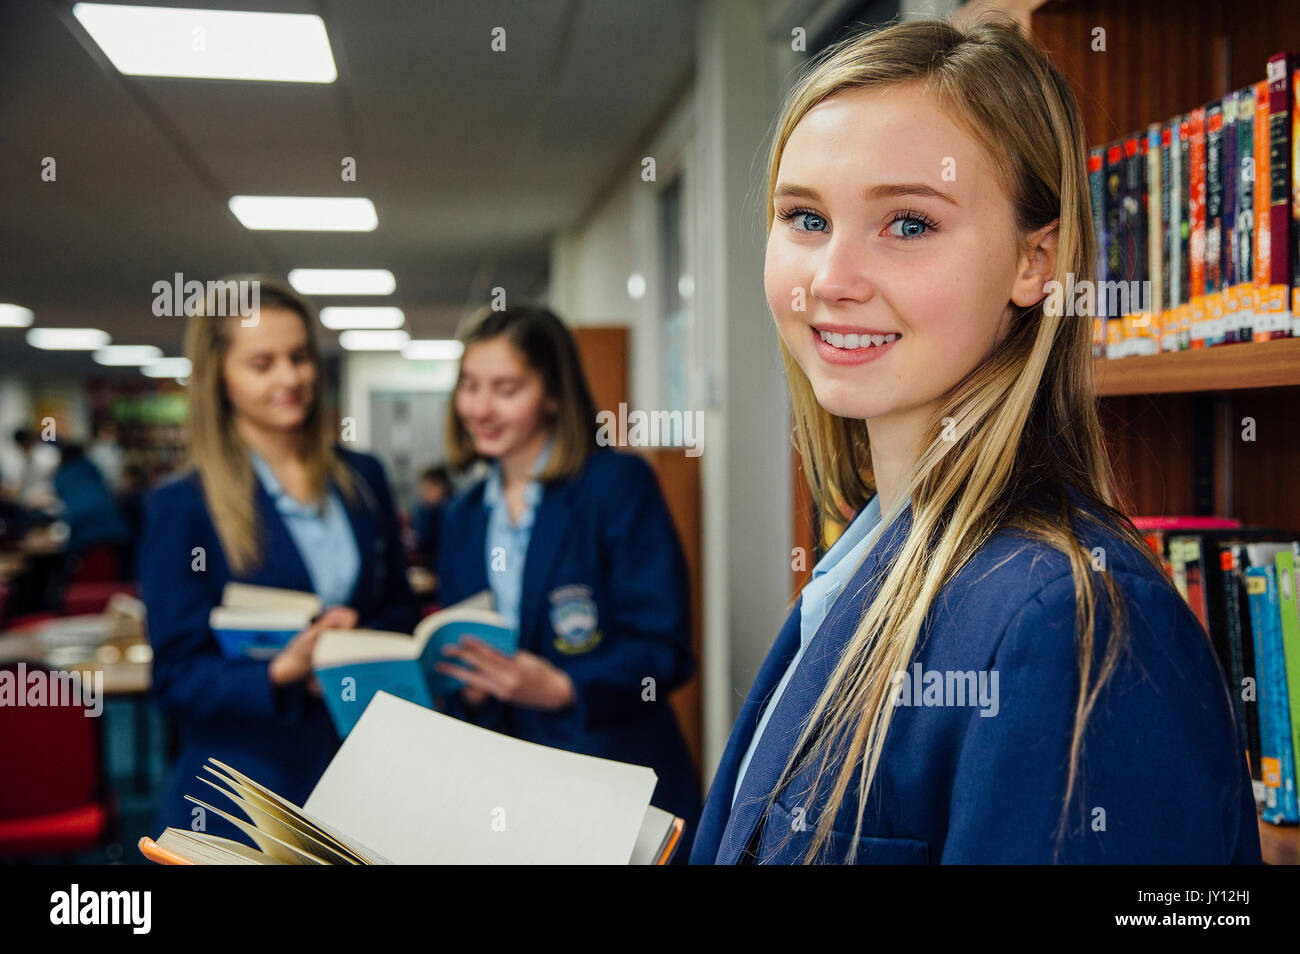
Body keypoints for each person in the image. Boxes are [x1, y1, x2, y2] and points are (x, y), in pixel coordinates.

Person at [691, 17, 1261, 864]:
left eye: (909, 224)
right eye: (805, 218)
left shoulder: (1067, 622)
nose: (830, 280)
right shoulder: (867, 555)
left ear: (1036, 262)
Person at [139, 276, 419, 840]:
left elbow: (398, 609)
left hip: (365, 765)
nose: (290, 378)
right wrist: (280, 672)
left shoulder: (362, 478)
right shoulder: (182, 506)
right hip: (248, 784)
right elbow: (175, 677)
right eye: (262, 364)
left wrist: (356, 635)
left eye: (299, 358)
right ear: (220, 376)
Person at [435, 305, 702, 855]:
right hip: (505, 789)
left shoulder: (616, 485)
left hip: (608, 774)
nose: (480, 408)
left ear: (553, 394)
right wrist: (469, 684)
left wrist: (560, 687)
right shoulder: (463, 515)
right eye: (470, 386)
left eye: (506, 389)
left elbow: (664, 648)